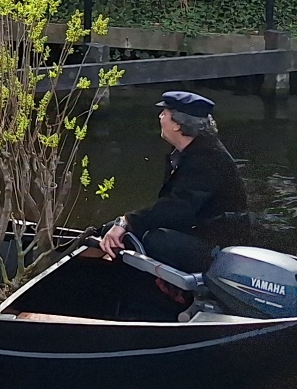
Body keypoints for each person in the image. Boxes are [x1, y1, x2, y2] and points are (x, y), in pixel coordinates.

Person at [99, 91, 249, 284]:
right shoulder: (185, 152)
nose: (160, 117)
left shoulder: (208, 158)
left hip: (219, 244)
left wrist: (128, 220)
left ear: (178, 124)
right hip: (195, 229)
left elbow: (178, 208)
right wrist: (122, 224)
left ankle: (159, 291)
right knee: (112, 231)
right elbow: (172, 206)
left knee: (156, 240)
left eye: (164, 113)